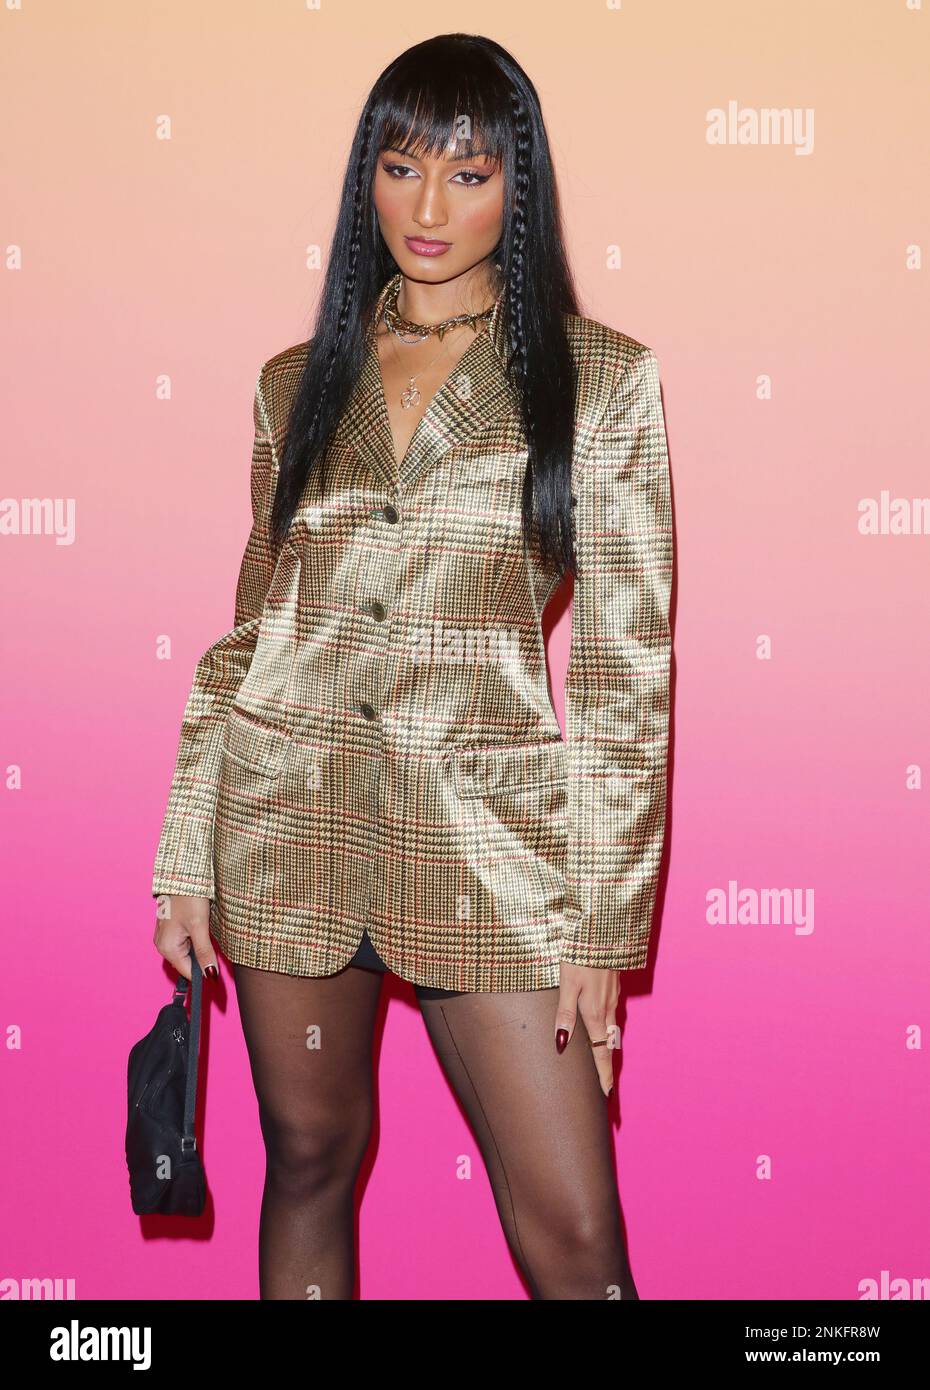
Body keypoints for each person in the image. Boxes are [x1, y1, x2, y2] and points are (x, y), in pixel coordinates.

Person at [151, 32, 673, 1300]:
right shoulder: (297, 385)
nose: (429, 208)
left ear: (519, 189)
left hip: (491, 853)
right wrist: (185, 846)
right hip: (287, 825)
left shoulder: (599, 383)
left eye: (471, 173)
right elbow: (249, 633)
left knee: (577, 1239)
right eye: (400, 166)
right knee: (312, 1158)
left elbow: (624, 674)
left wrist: (603, 923)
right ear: (365, 177)